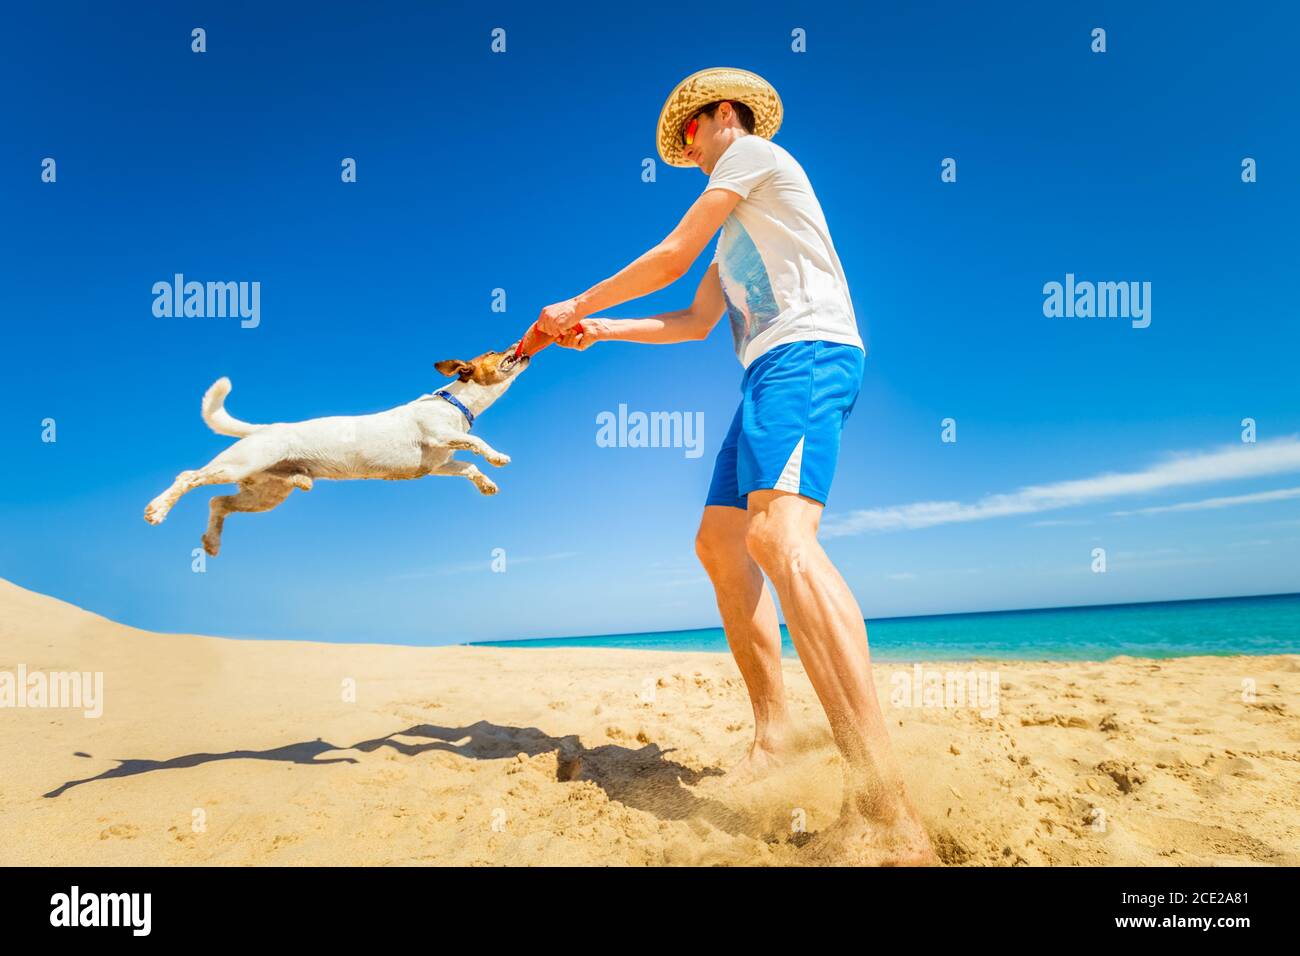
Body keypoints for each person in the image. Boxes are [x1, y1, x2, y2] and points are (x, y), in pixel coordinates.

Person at [533, 67, 936, 865]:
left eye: (689, 136)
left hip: (807, 357)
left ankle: (886, 806)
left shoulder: (755, 157)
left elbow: (670, 253)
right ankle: (776, 736)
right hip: (765, 375)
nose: (688, 150)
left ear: (723, 117)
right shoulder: (735, 230)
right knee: (721, 545)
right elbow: (691, 319)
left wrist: (573, 304)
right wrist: (604, 330)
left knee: (783, 541)